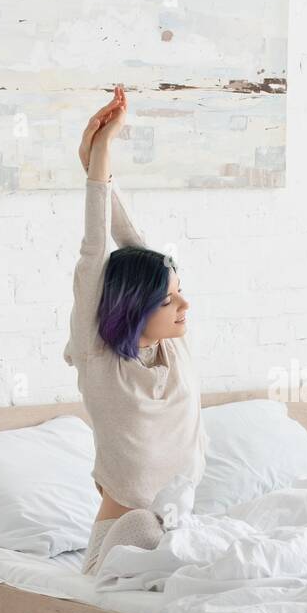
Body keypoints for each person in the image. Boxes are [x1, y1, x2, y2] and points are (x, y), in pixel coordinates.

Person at [64, 86, 206, 575]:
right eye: (168, 300)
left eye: (179, 291)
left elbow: (133, 246)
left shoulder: (172, 348)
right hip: (123, 542)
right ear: (134, 307)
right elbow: (94, 252)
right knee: (147, 527)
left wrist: (97, 161)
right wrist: (99, 155)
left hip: (177, 531)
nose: (184, 304)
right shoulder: (100, 357)